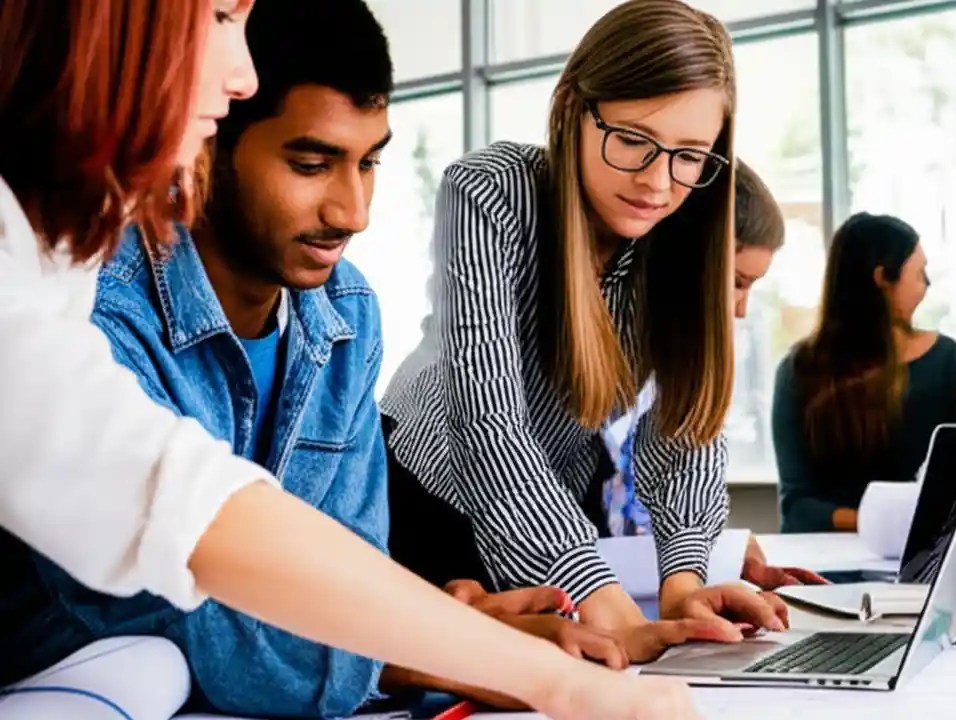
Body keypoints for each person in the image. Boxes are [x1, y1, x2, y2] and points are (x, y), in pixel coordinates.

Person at [0, 1, 698, 717]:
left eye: (370, 163)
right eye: (216, 17)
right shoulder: (94, 295)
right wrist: (448, 652)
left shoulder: (343, 313)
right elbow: (182, 565)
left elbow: (325, 558)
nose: (354, 211)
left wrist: (434, 631)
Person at [382, 0, 787, 635]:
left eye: (689, 154)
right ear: (572, 106)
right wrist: (614, 610)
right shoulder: (489, 192)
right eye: (632, 140)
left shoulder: (684, 224)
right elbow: (489, 422)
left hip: (549, 508)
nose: (658, 182)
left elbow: (687, 429)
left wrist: (685, 587)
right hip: (422, 497)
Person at [597, 159, 824, 587]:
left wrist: (723, 551)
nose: (741, 309)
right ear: (692, 256)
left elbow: (677, 472)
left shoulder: (670, 349)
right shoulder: (597, 328)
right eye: (737, 282)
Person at [772, 212, 956, 533]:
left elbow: (953, 487)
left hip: (918, 555)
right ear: (882, 278)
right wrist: (885, 524)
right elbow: (797, 509)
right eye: (919, 274)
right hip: (825, 561)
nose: (927, 286)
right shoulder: (799, 370)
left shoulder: (947, 361)